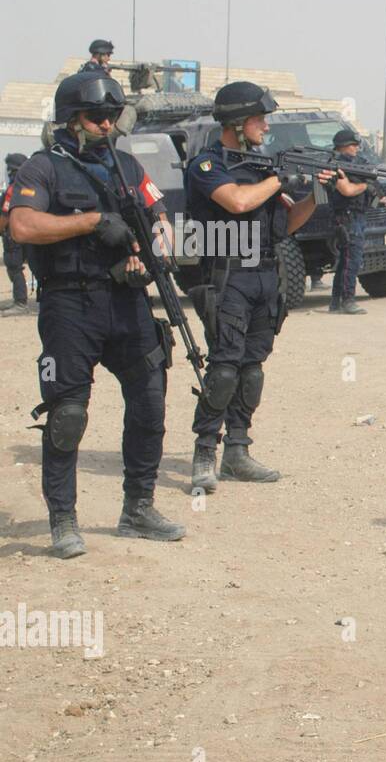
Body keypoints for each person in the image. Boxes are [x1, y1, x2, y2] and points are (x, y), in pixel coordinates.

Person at [6, 72, 185, 558]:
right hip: (70, 303)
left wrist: (153, 252)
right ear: (71, 119)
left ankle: (138, 508)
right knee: (67, 414)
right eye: (95, 116)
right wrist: (91, 222)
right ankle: (63, 519)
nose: (106, 124)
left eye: (112, 116)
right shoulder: (43, 168)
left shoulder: (127, 167)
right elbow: (21, 226)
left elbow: (161, 218)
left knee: (150, 400)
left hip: (127, 300)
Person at [187, 81, 333, 493]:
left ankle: (237, 450)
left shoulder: (263, 169)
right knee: (224, 368)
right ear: (237, 122)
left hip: (265, 277)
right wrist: (279, 179)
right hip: (228, 276)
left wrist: (316, 190)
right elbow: (236, 201)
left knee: (251, 371)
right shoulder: (207, 164)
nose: (266, 127)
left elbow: (287, 224)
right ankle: (203, 454)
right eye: (259, 119)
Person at [325, 128, 384, 315]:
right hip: (347, 217)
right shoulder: (336, 166)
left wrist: (377, 193)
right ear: (343, 146)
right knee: (352, 260)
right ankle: (347, 300)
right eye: (353, 144)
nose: (357, 148)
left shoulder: (357, 166)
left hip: (356, 216)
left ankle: (336, 302)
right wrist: (366, 185)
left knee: (346, 260)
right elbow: (347, 191)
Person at [1, 153, 34, 315]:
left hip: (14, 235)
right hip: (31, 233)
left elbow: (5, 214)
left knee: (14, 267)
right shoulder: (32, 186)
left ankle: (20, 303)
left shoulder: (13, 188)